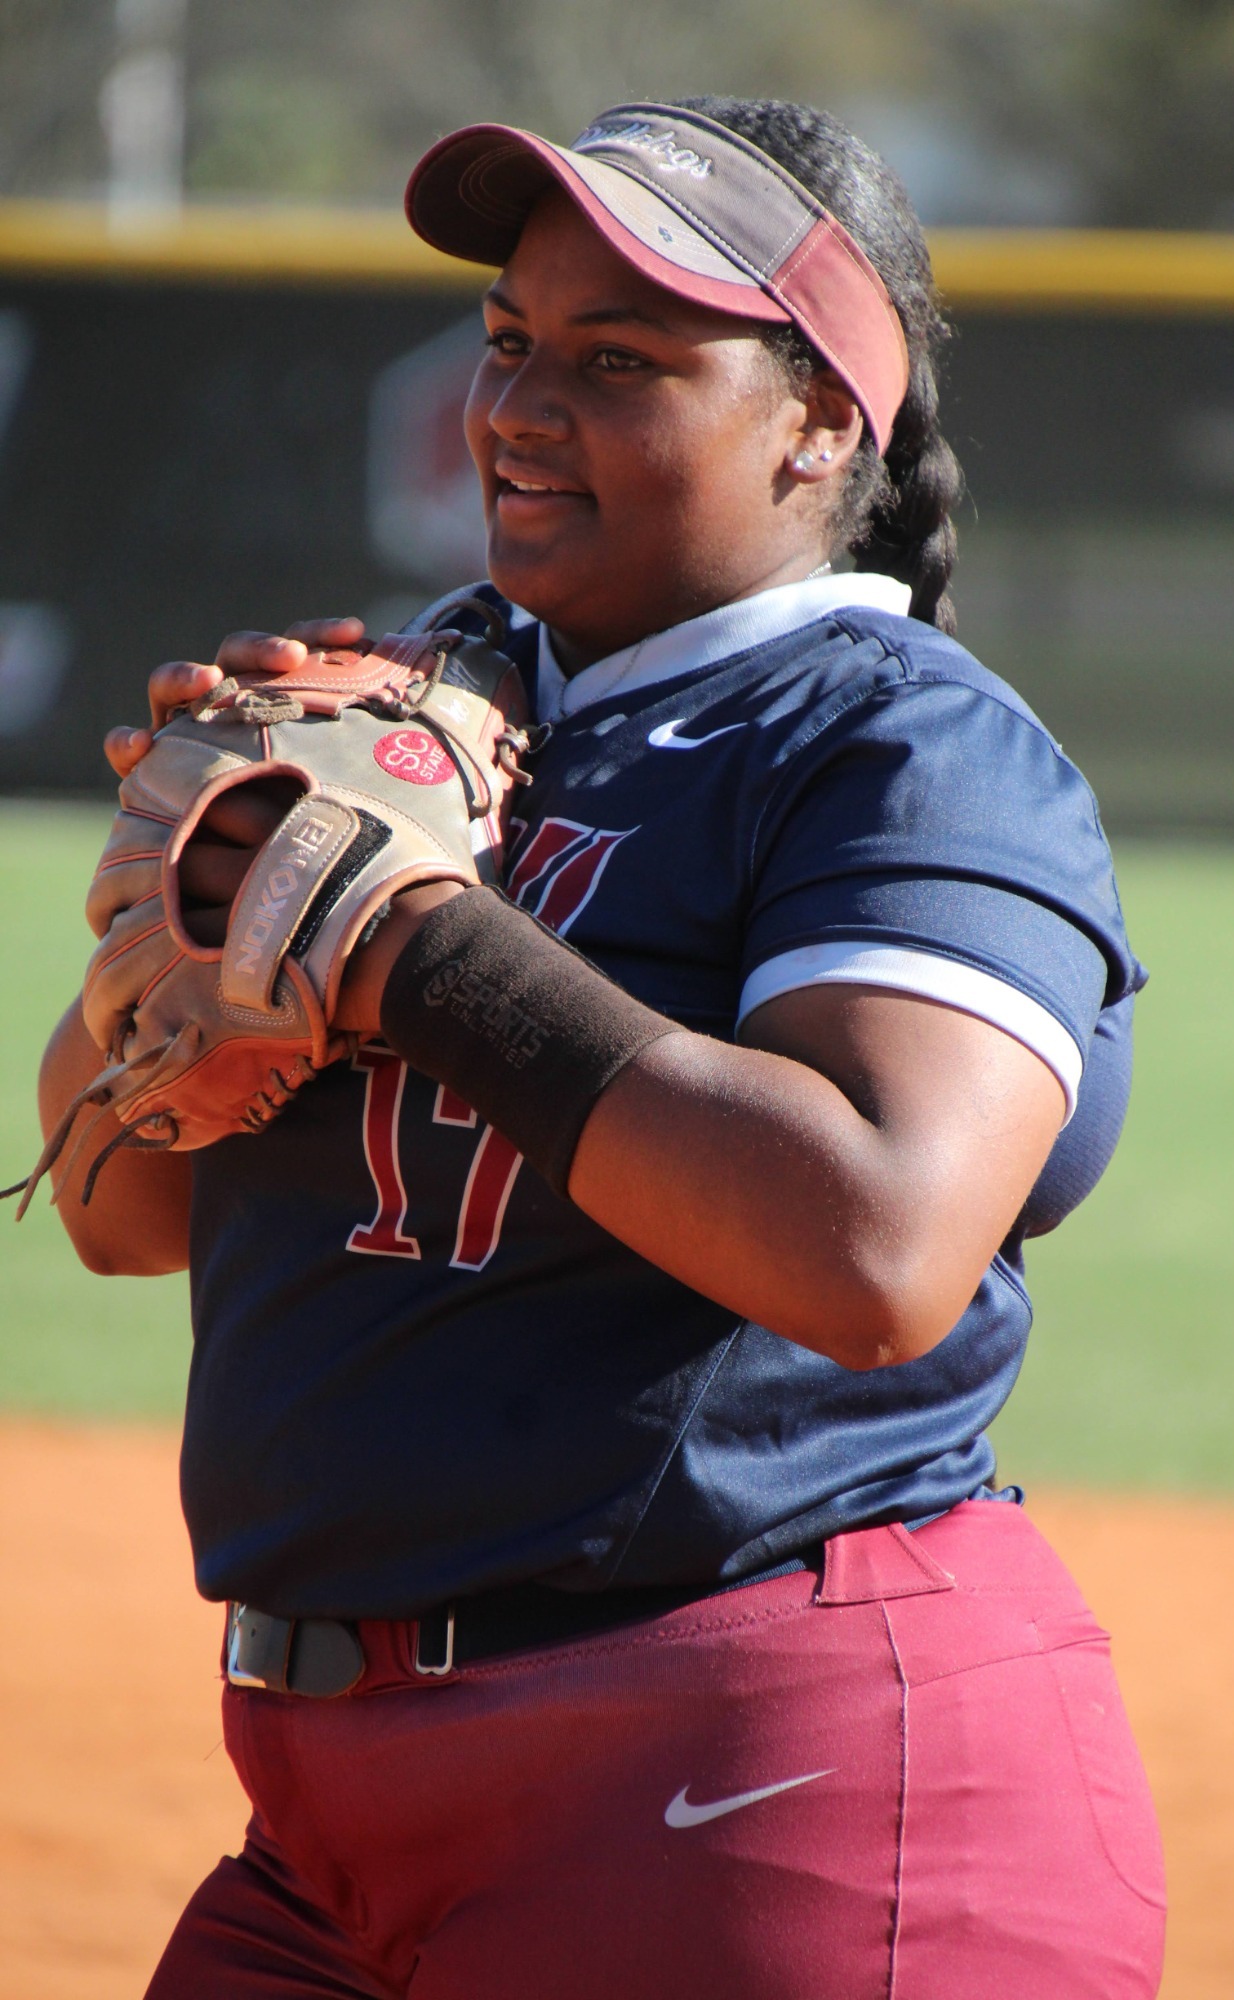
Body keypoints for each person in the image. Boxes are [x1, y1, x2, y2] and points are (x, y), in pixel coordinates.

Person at [41, 98, 1165, 1997]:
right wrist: (185, 923)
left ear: (823, 421)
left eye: (621, 359)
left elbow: (874, 1247)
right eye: (507, 341)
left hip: (761, 1777)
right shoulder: (411, 722)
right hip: (326, 1816)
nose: (518, 407)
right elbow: (113, 1208)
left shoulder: (899, 748)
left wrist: (409, 946)